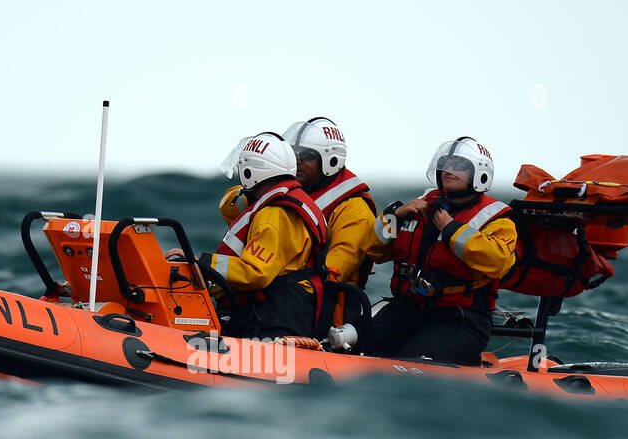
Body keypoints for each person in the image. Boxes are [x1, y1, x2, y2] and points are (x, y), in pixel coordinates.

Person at [355, 136, 517, 365]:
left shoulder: (495, 219)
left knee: (413, 358)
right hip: (408, 310)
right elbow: (374, 251)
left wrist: (451, 229)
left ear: (479, 174)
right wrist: (394, 216)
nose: (449, 170)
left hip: (460, 319)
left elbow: (499, 262)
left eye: (459, 166)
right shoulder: (420, 205)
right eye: (446, 164)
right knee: (358, 344)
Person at [199, 132, 329, 338]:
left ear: (252, 172)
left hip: (276, 316)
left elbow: (255, 272)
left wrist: (203, 263)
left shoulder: (272, 215)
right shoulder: (294, 200)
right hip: (297, 308)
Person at [284, 118, 378, 298]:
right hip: (287, 294)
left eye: (307, 155)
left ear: (331, 160)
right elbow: (232, 211)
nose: (297, 160)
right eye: (292, 153)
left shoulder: (354, 209)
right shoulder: (291, 190)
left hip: (327, 304)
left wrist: (283, 291)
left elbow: (337, 268)